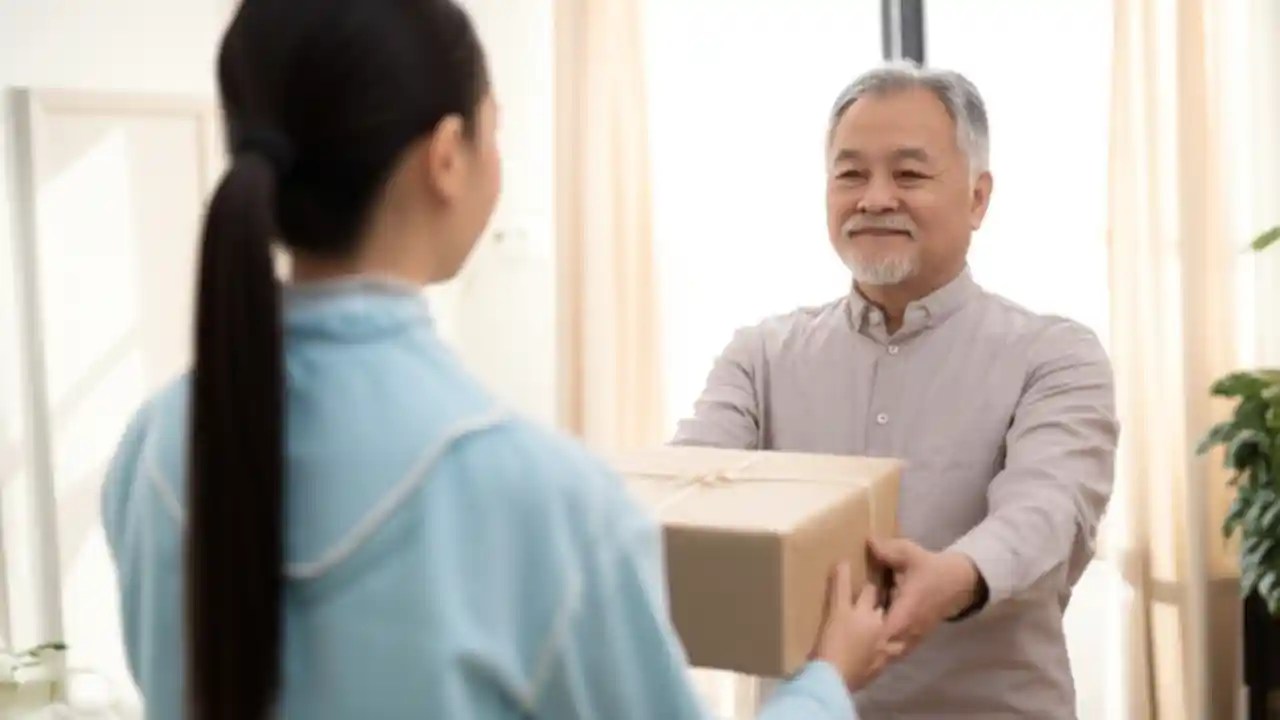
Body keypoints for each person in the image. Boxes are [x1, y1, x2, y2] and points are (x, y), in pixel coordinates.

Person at [100, 1, 890, 719]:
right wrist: (824, 680)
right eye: (494, 127)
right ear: (447, 156)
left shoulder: (152, 450)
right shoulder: (545, 500)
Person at [672, 61, 1120, 719]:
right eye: (850, 173)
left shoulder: (1055, 355)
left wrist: (956, 577)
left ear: (977, 197)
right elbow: (687, 483)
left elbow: (1050, 513)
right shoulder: (760, 356)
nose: (874, 197)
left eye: (909, 174)